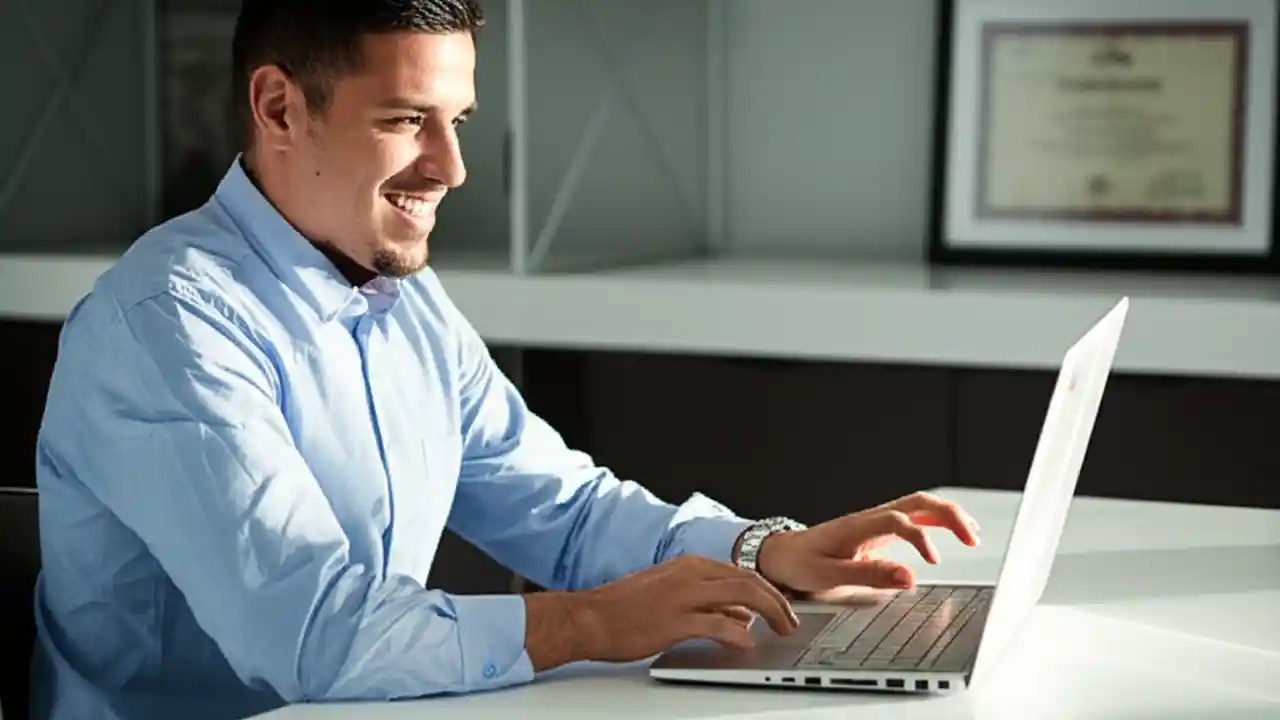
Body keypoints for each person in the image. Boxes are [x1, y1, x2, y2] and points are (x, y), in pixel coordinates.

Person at [29, 1, 981, 718]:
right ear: (280, 107)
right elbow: (315, 637)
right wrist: (593, 621)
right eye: (406, 120)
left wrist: (761, 551)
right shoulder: (166, 328)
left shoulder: (398, 293)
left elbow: (562, 512)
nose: (452, 167)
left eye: (460, 120)